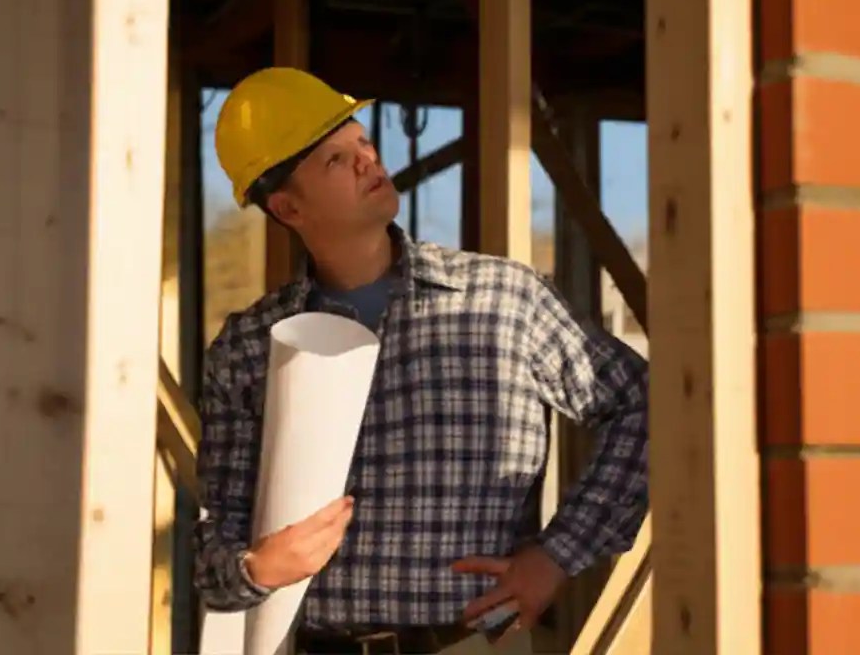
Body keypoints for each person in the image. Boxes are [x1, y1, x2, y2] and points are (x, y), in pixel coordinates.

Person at [194, 67, 649, 654]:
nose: (366, 160)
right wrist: (257, 568)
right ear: (287, 208)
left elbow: (642, 404)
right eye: (335, 160)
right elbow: (212, 557)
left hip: (473, 645)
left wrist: (558, 554)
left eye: (361, 142)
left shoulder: (503, 299)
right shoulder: (250, 347)